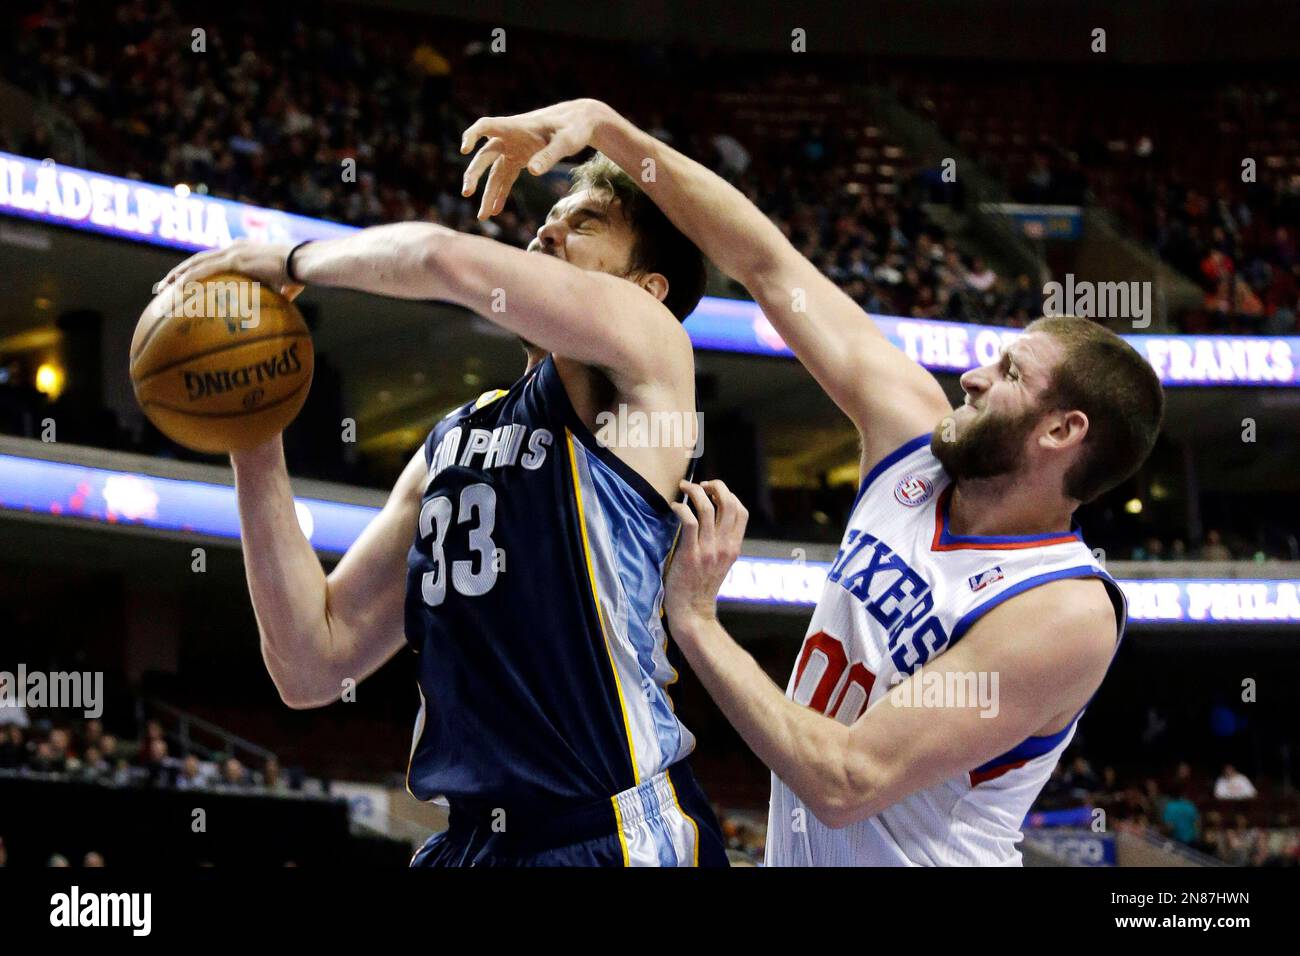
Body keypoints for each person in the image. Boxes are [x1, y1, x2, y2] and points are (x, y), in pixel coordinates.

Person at [463, 98, 1164, 865]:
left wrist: (696, 619)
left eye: (1007, 374)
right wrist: (609, 131)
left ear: (1062, 431)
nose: (969, 374)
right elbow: (766, 265)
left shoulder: (1062, 608)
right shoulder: (912, 441)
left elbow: (846, 779)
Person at [155, 151, 725, 867]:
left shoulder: (648, 365)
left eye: (584, 223)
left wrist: (292, 260)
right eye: (545, 222)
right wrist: (253, 435)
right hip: (468, 845)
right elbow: (312, 661)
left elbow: (440, 258)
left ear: (649, 287)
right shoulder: (452, 441)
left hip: (608, 831)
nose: (545, 235)